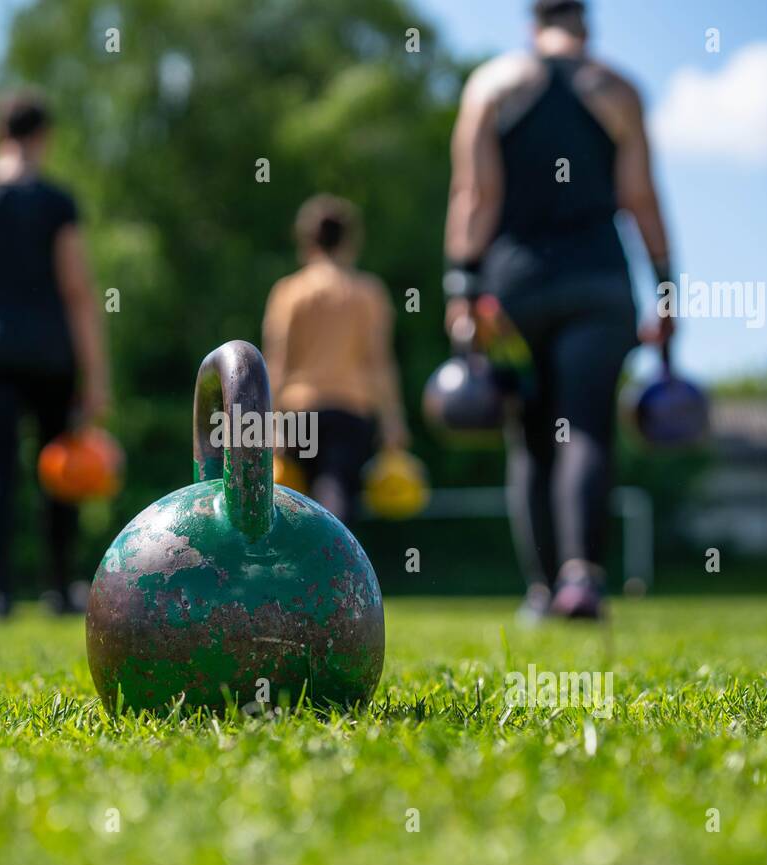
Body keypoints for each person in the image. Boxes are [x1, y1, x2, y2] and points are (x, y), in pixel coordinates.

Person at [443, 0, 674, 620]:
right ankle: (582, 580)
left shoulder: (492, 85)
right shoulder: (619, 89)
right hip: (599, 286)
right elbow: (641, 199)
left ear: (531, 23)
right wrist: (666, 288)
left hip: (511, 294)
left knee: (531, 439)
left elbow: (474, 195)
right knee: (588, 426)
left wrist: (459, 290)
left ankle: (543, 592)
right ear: (585, 24)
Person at [0, 89, 109, 619]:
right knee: (61, 469)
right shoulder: (57, 202)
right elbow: (78, 292)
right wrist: (97, 377)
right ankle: (59, 590)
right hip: (51, 353)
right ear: (44, 136)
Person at [262, 195, 409, 526]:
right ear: (350, 240)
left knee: (294, 508)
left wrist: (269, 424)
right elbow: (379, 362)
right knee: (338, 497)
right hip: (350, 410)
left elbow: (277, 362)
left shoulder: (288, 292)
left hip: (300, 411)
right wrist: (393, 421)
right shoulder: (368, 292)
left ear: (306, 240)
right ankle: (335, 571)